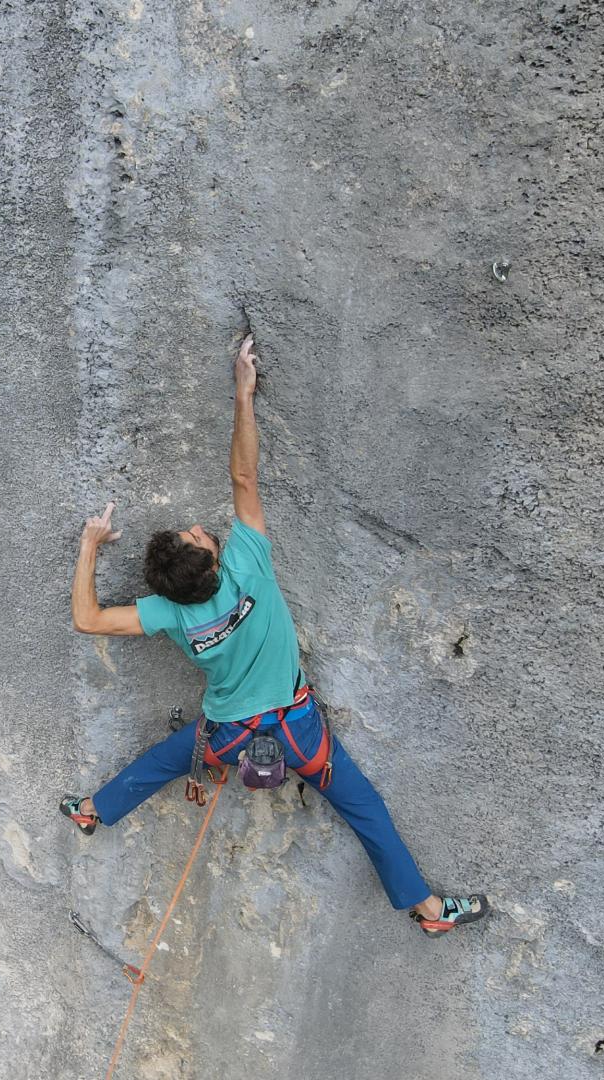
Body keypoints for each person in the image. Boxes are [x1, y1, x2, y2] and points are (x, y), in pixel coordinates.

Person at [60, 335, 488, 936]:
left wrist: (89, 545)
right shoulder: (249, 566)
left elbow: (88, 619)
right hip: (298, 729)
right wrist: (243, 391)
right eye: (197, 536)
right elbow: (243, 474)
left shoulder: (169, 613)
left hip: (228, 737)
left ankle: (91, 810)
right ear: (214, 563)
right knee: (365, 810)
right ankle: (429, 911)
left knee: (165, 760)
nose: (198, 527)